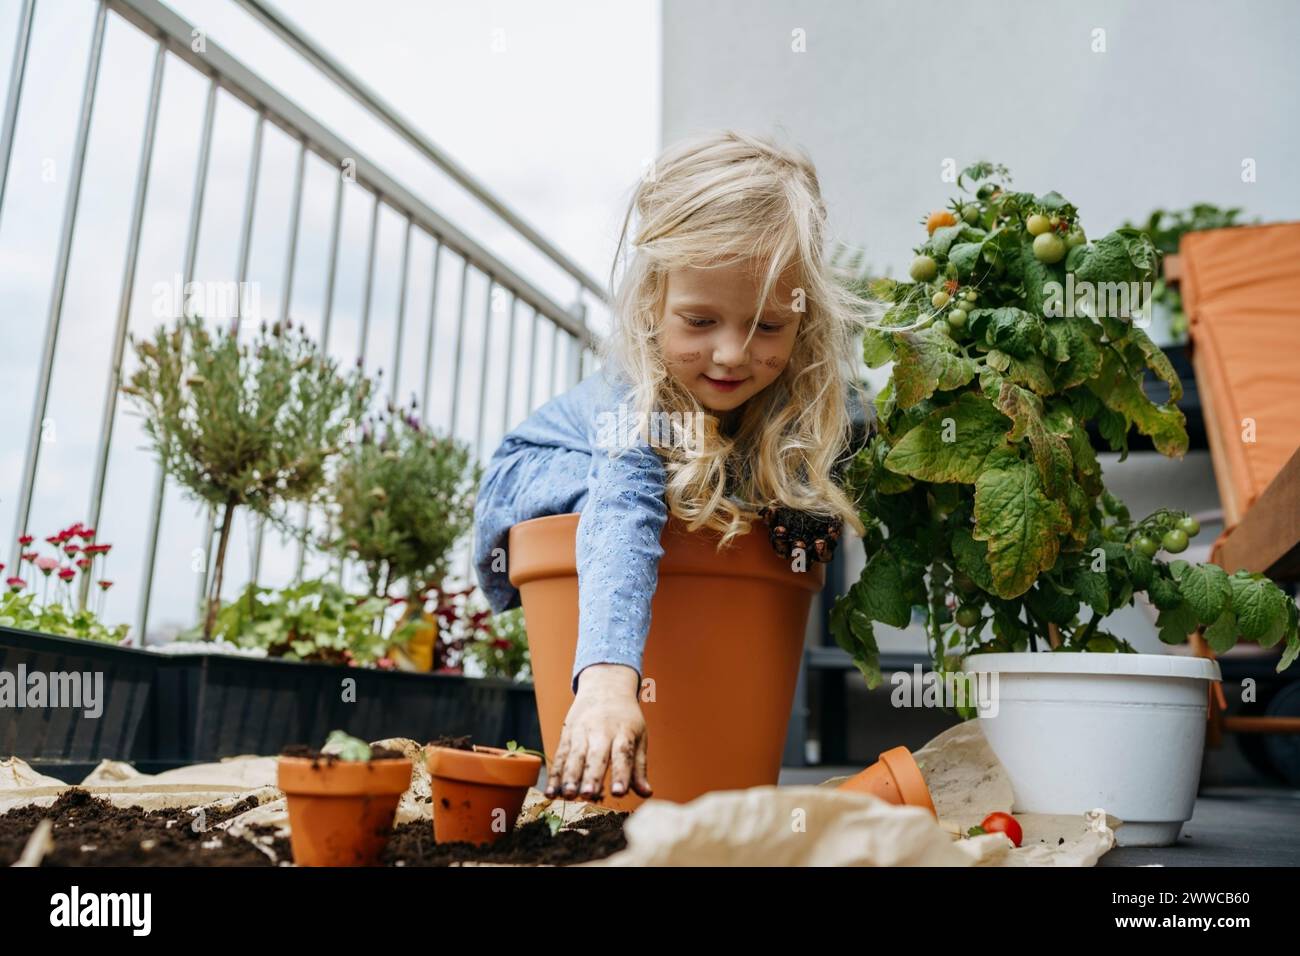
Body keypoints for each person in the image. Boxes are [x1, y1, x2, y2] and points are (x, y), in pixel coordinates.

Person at [473, 129, 869, 803]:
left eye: (767, 327)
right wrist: (605, 683)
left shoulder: (791, 390)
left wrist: (801, 500)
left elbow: (833, 440)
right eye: (699, 321)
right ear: (653, 307)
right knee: (653, 489)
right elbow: (623, 511)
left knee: (732, 499)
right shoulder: (643, 398)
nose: (730, 355)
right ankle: (599, 722)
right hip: (542, 482)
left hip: (656, 501)